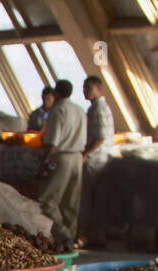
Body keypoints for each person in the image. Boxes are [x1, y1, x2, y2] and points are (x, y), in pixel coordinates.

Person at [37, 79, 87, 248]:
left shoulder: (58, 110)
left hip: (62, 157)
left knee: (47, 200)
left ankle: (62, 234)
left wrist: (45, 161)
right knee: (71, 202)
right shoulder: (80, 110)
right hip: (78, 157)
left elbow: (53, 140)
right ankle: (70, 239)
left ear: (56, 93)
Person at [76, 74, 114, 249]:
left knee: (87, 199)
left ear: (98, 89)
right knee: (97, 200)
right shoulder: (95, 109)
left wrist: (85, 154)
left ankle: (84, 235)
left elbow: (100, 138)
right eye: (84, 88)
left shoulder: (99, 110)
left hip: (95, 160)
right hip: (99, 158)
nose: (85, 92)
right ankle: (95, 236)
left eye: (88, 88)